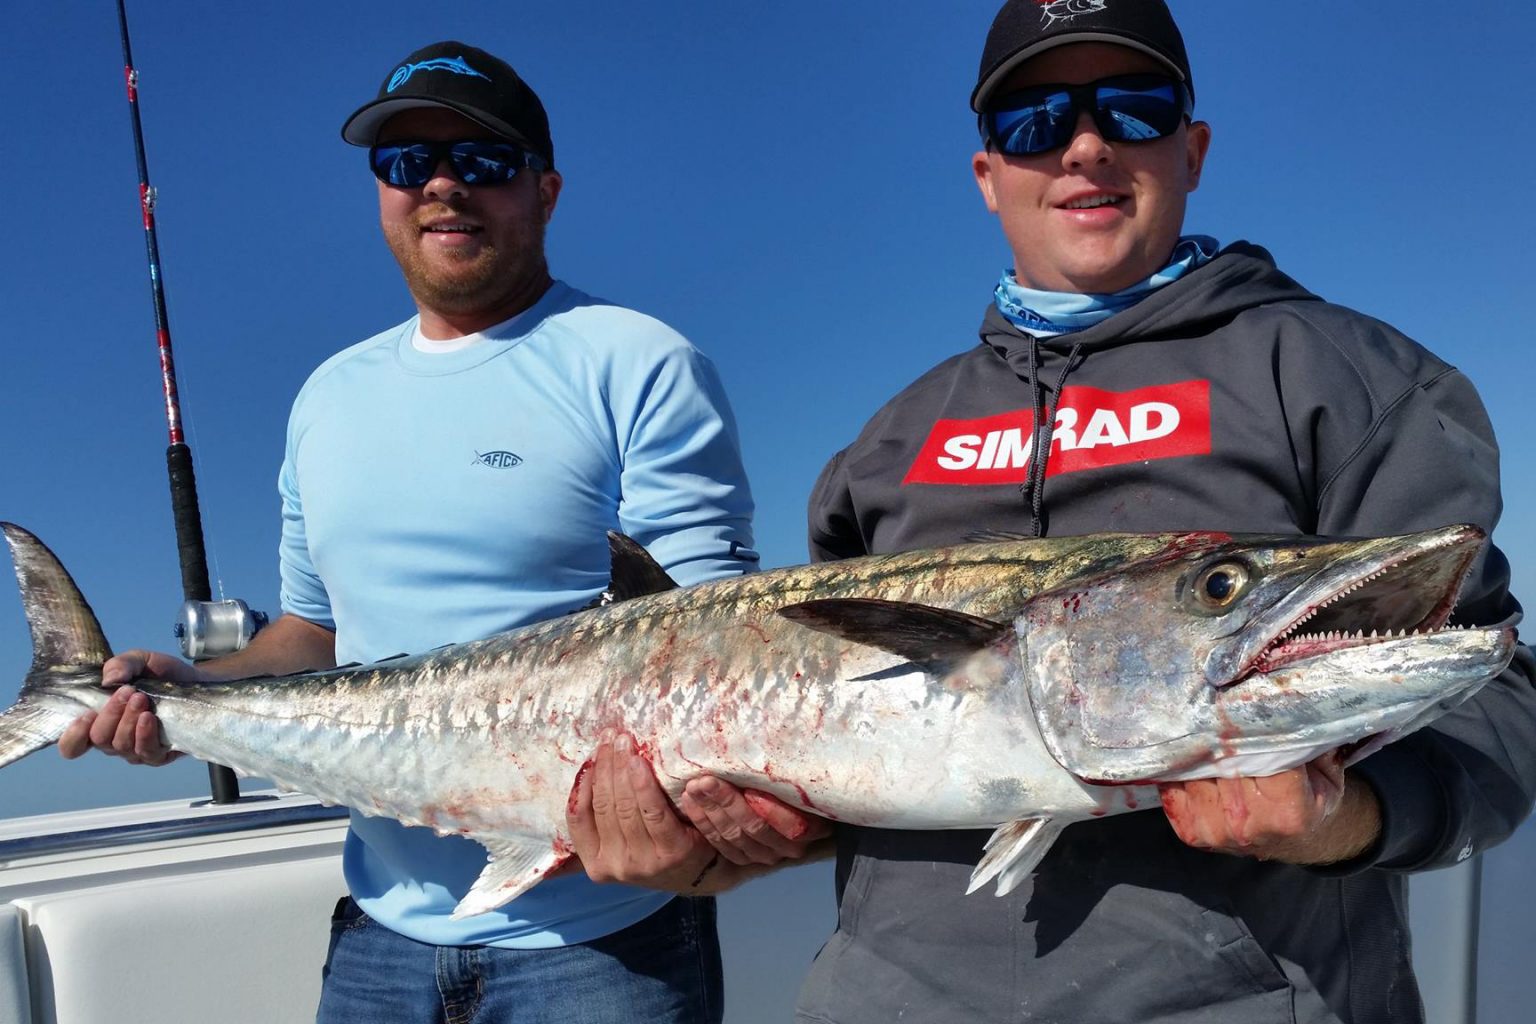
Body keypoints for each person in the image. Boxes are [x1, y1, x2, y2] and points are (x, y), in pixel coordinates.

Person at [784, 3, 1536, 1023]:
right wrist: (725, 827)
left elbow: (1492, 693)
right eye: (1035, 120)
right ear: (988, 176)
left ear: (1193, 149)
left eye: (1132, 110)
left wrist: (1345, 816)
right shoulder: (888, 438)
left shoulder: (1350, 379)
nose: (1085, 146)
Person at [56, 39, 809, 1024]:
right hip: (379, 937)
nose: (444, 186)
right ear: (381, 194)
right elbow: (313, 635)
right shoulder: (328, 397)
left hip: (602, 944)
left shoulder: (634, 360)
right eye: (408, 164)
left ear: (545, 189)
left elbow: (710, 651)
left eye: (483, 161)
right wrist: (194, 694)